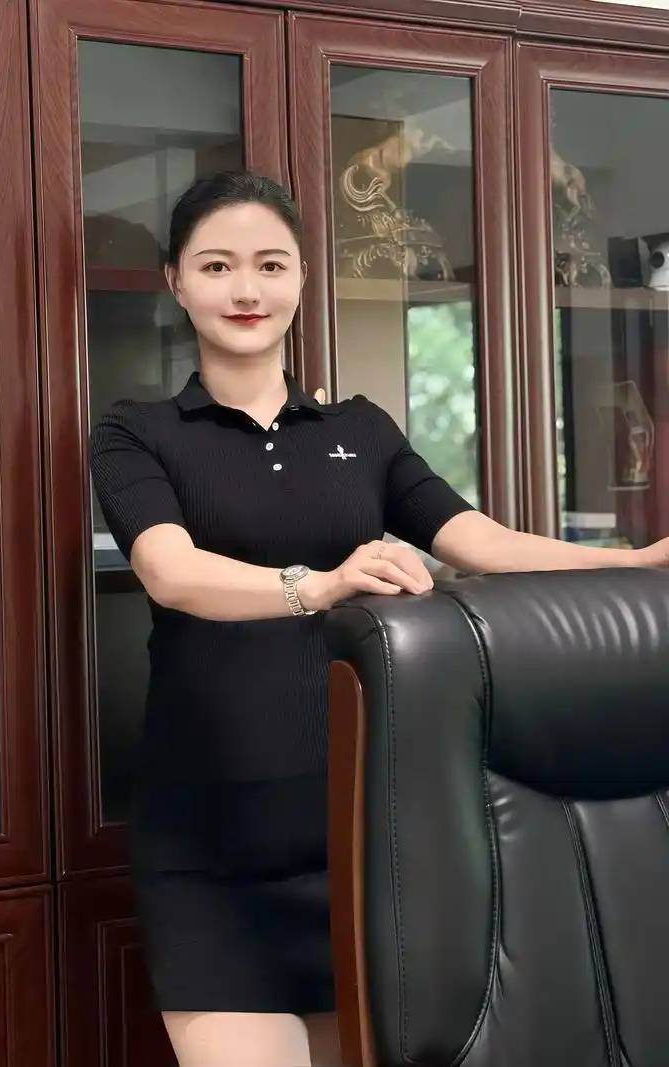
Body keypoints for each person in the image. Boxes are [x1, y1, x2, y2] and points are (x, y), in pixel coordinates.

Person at [89, 170, 669, 1067]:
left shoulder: (358, 429)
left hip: (364, 839)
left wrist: (634, 563)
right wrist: (320, 585)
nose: (246, 289)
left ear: (302, 276)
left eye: (271, 264)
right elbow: (172, 573)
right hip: (210, 843)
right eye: (216, 265)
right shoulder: (137, 432)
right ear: (176, 280)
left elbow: (479, 540)